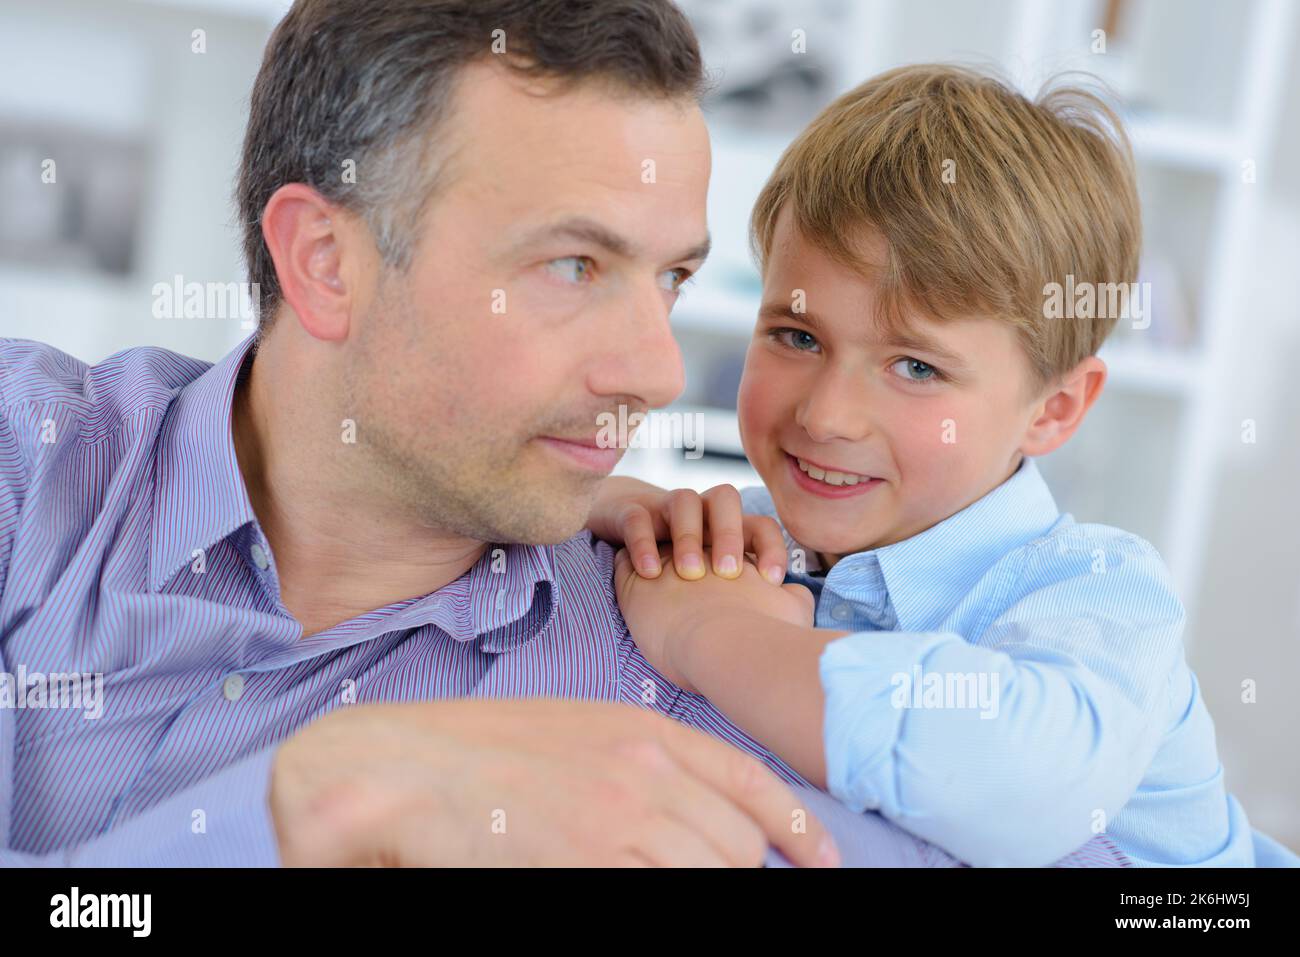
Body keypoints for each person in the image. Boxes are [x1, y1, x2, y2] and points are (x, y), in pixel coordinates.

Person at [0, 0, 837, 868]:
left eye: (671, 276)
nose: (658, 374)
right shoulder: (26, 450)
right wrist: (312, 804)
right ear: (325, 261)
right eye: (573, 265)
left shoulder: (686, 667)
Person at [596, 65, 1262, 867]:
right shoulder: (760, 535)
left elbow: (1016, 782)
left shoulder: (1098, 592)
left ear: (1053, 409)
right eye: (797, 337)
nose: (824, 415)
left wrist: (711, 635)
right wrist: (605, 501)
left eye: (915, 367)